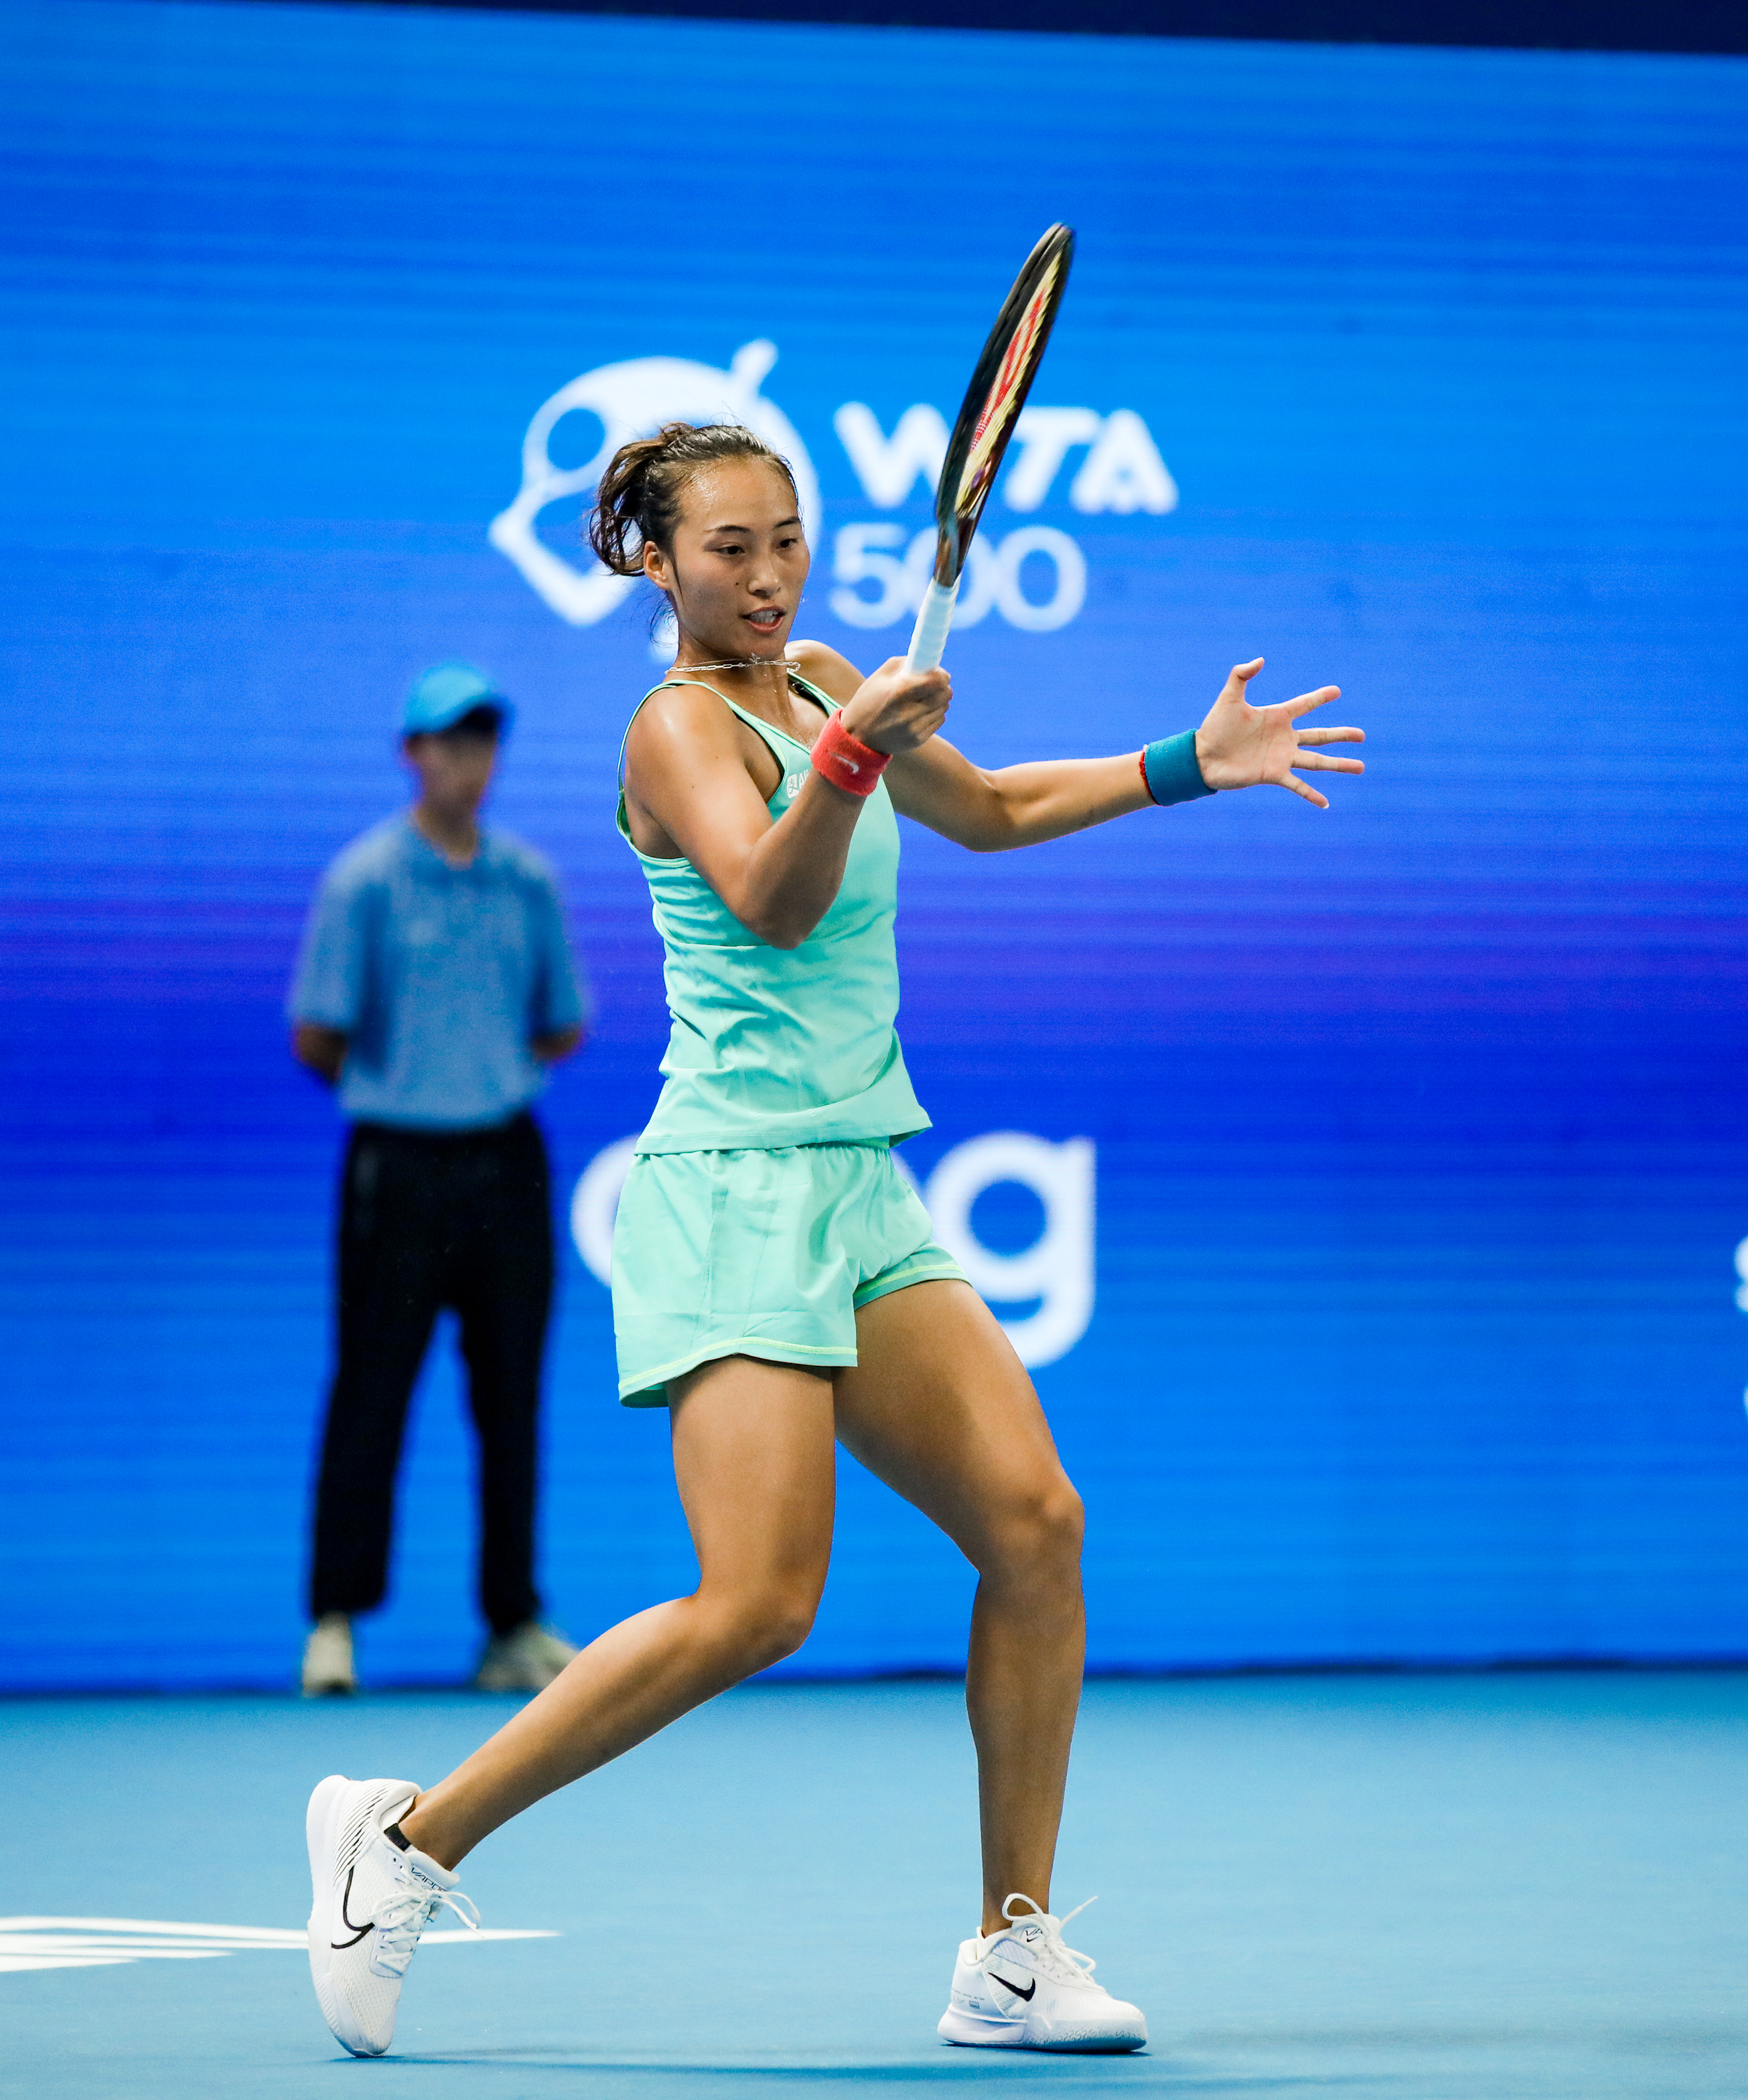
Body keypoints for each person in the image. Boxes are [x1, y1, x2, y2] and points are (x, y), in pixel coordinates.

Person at [302, 424, 1361, 2058]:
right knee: (756, 1603)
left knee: (1034, 1522)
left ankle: (1011, 1954)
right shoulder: (672, 728)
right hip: (732, 1189)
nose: (771, 572)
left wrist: (1180, 763)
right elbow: (771, 899)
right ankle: (406, 1841)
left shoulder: (818, 680)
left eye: (788, 538)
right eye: (730, 546)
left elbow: (996, 806)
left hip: (859, 1178)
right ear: (659, 562)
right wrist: (851, 752)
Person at [287, 661, 589, 1700]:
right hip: (398, 1166)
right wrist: (412, 1084)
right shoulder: (363, 880)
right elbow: (318, 1032)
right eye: (448, 740)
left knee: (512, 1400)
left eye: (484, 739)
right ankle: (334, 1623)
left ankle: (512, 1622)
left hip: (504, 1163)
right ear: (411, 754)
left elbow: (562, 1020)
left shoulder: (528, 880)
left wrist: (477, 1076)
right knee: (371, 1393)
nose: (470, 760)